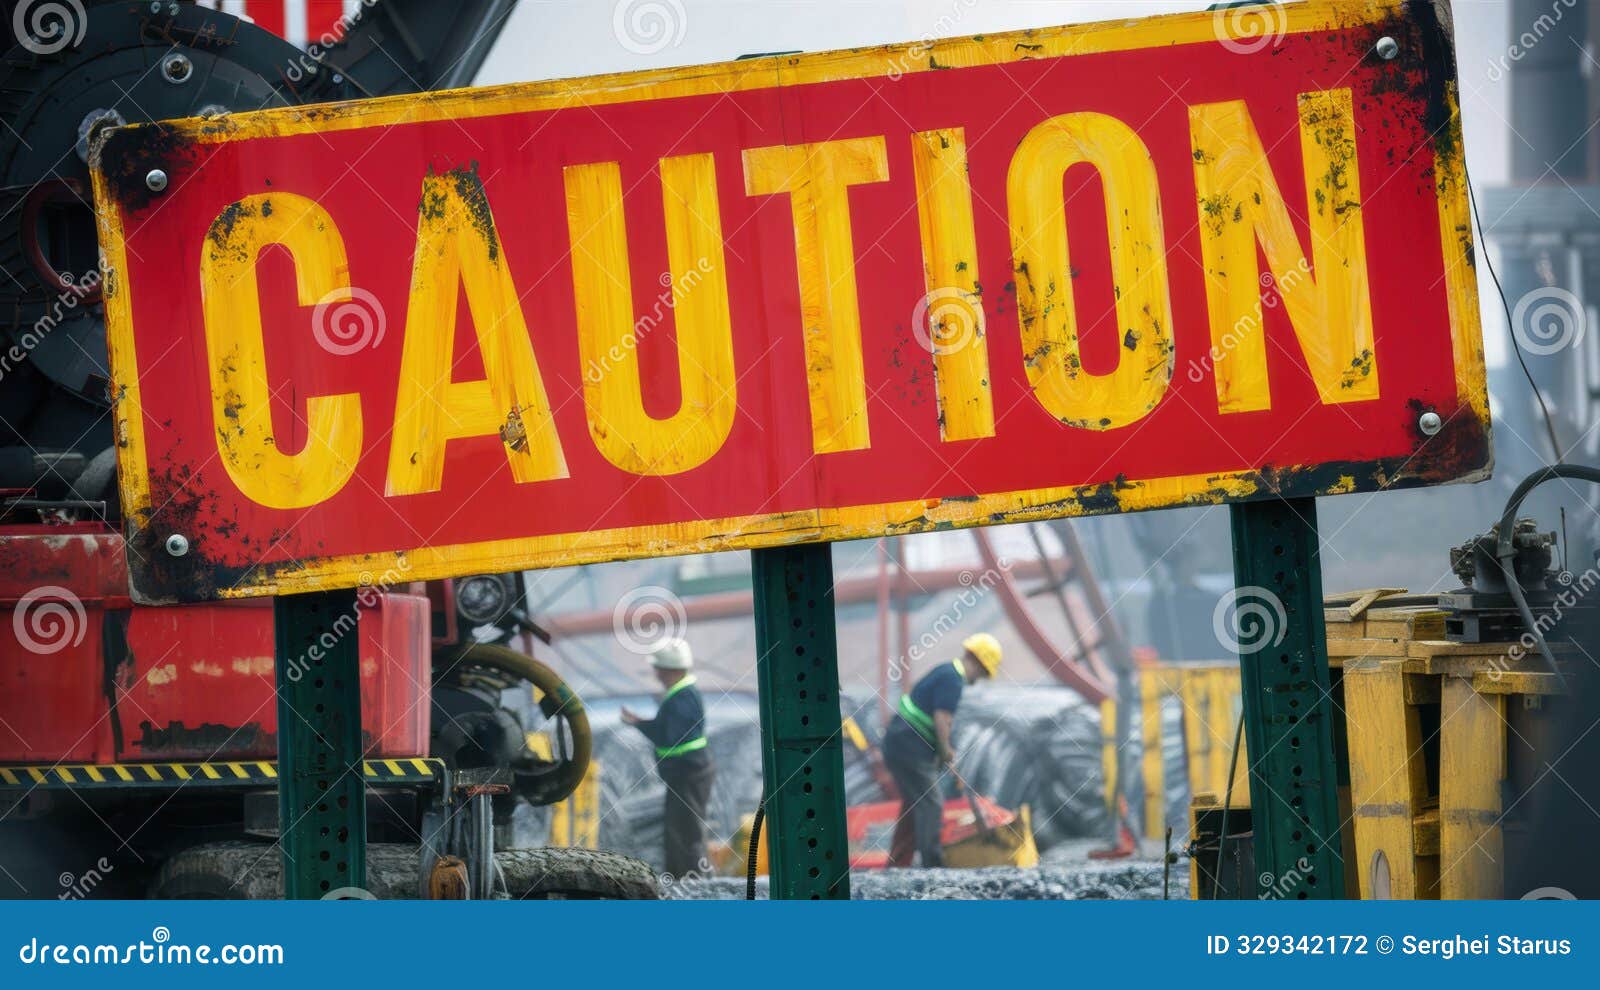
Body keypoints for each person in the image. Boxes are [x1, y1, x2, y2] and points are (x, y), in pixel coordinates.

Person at [882, 632, 1002, 868]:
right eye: (984, 672)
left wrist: (940, 752)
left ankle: (897, 864)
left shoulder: (945, 671)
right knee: (932, 803)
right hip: (908, 744)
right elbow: (942, 717)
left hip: (899, 742)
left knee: (914, 803)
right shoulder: (953, 680)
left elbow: (935, 717)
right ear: (977, 661)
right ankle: (933, 864)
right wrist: (946, 749)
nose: (980, 678)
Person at [621, 638, 714, 879]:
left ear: (669, 670)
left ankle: (695, 884)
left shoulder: (683, 697)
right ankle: (680, 881)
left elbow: (668, 736)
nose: (656, 673)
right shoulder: (679, 695)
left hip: (689, 773)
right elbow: (668, 730)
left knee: (687, 832)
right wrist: (640, 722)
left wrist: (639, 724)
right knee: (677, 830)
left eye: (659, 668)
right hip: (683, 774)